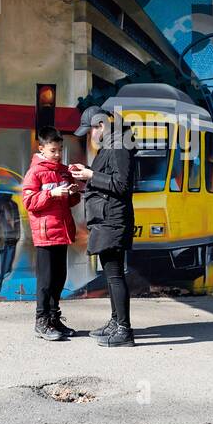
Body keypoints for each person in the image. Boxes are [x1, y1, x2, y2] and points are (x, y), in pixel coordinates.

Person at [71, 106, 136, 348]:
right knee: (111, 275)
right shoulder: (112, 144)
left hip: (113, 220)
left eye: (91, 131)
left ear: (101, 126)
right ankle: (115, 321)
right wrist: (85, 176)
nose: (90, 136)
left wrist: (90, 176)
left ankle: (124, 330)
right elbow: (106, 180)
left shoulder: (120, 145)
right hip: (104, 219)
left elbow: (121, 185)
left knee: (115, 275)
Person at [21, 126, 82, 341]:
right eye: (53, 150)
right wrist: (51, 193)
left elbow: (71, 201)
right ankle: (41, 321)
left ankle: (54, 319)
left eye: (60, 150)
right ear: (42, 149)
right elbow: (29, 201)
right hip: (45, 234)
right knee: (45, 281)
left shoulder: (63, 171)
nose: (57, 154)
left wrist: (73, 193)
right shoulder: (35, 172)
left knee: (59, 278)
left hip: (62, 231)